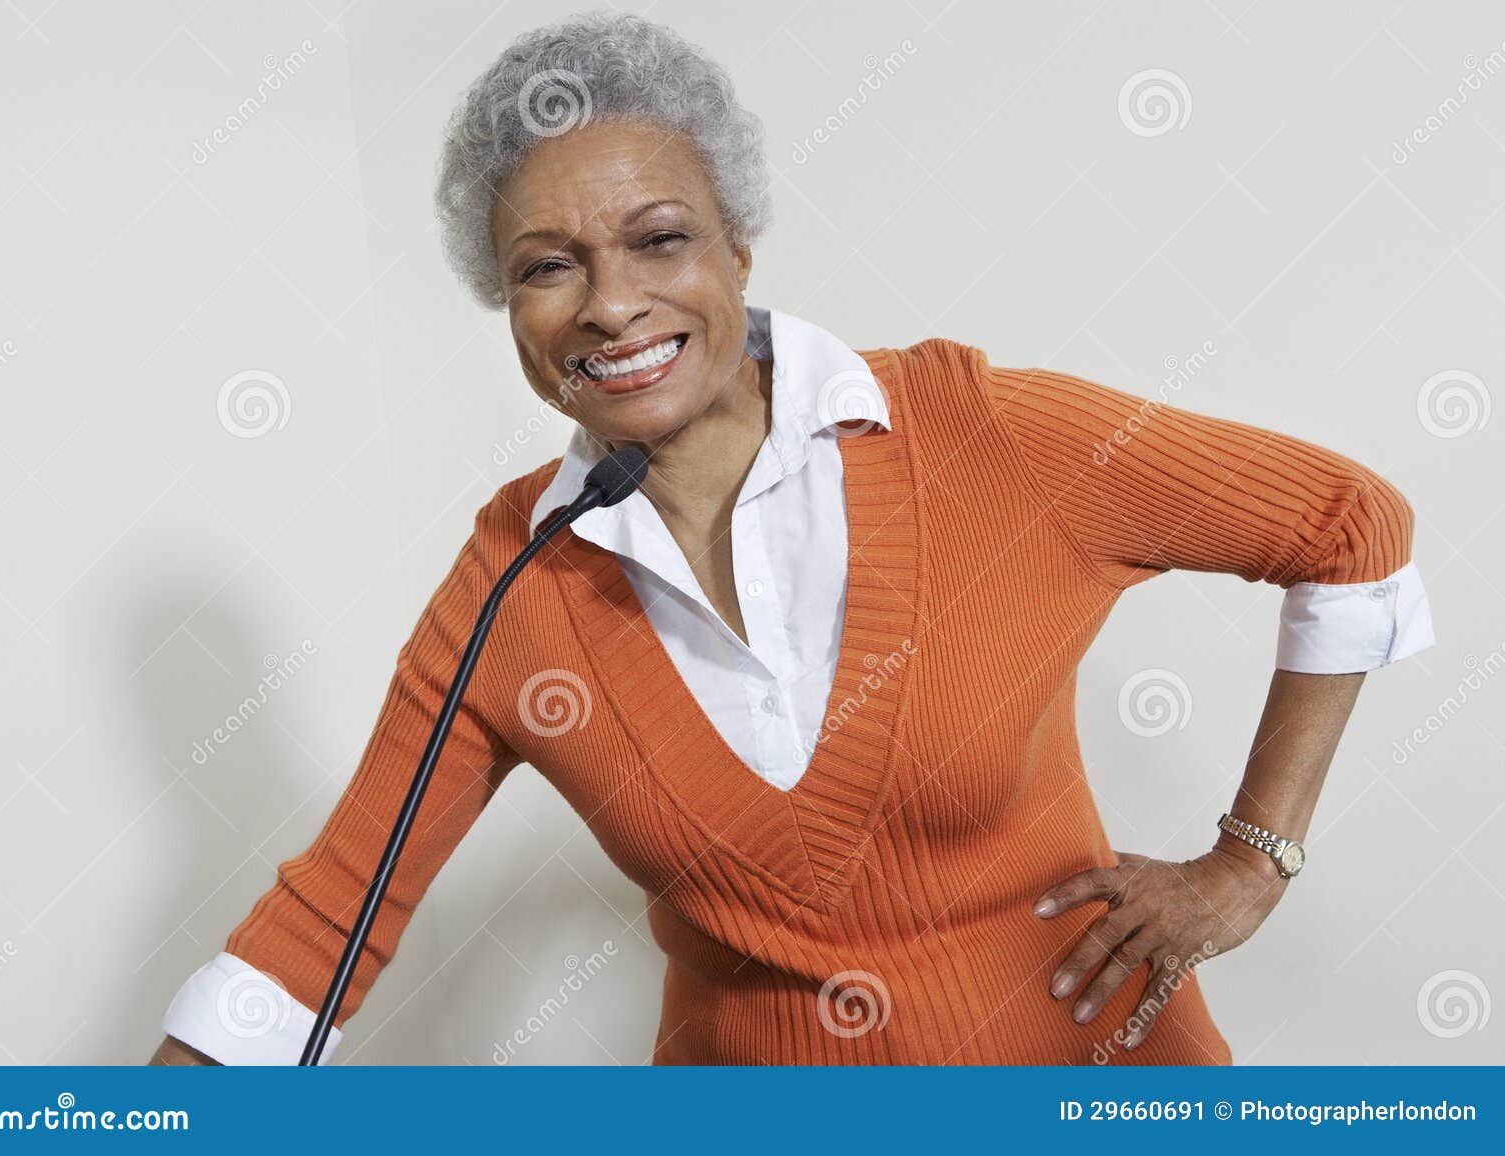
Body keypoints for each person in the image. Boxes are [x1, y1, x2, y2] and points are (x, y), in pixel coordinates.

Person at [151, 11, 1434, 1066]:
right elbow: (334, 910)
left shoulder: (975, 434)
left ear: (737, 249)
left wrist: (1250, 862)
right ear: (507, 304)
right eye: (548, 266)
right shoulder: (517, 576)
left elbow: (1346, 523)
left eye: (657, 239)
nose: (611, 304)